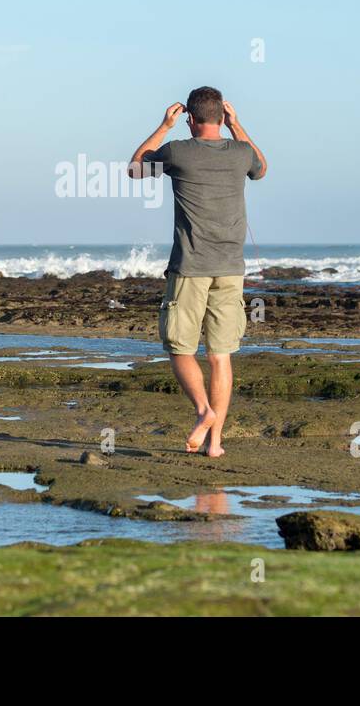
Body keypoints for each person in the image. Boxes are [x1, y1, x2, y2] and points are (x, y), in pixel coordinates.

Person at [128, 86, 268, 457]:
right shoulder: (241, 153)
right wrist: (238, 126)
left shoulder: (178, 151)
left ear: (189, 119)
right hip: (230, 270)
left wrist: (162, 126)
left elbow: (135, 168)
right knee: (220, 356)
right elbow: (262, 168)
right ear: (222, 116)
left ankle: (204, 411)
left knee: (179, 348)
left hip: (190, 268)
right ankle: (215, 444)